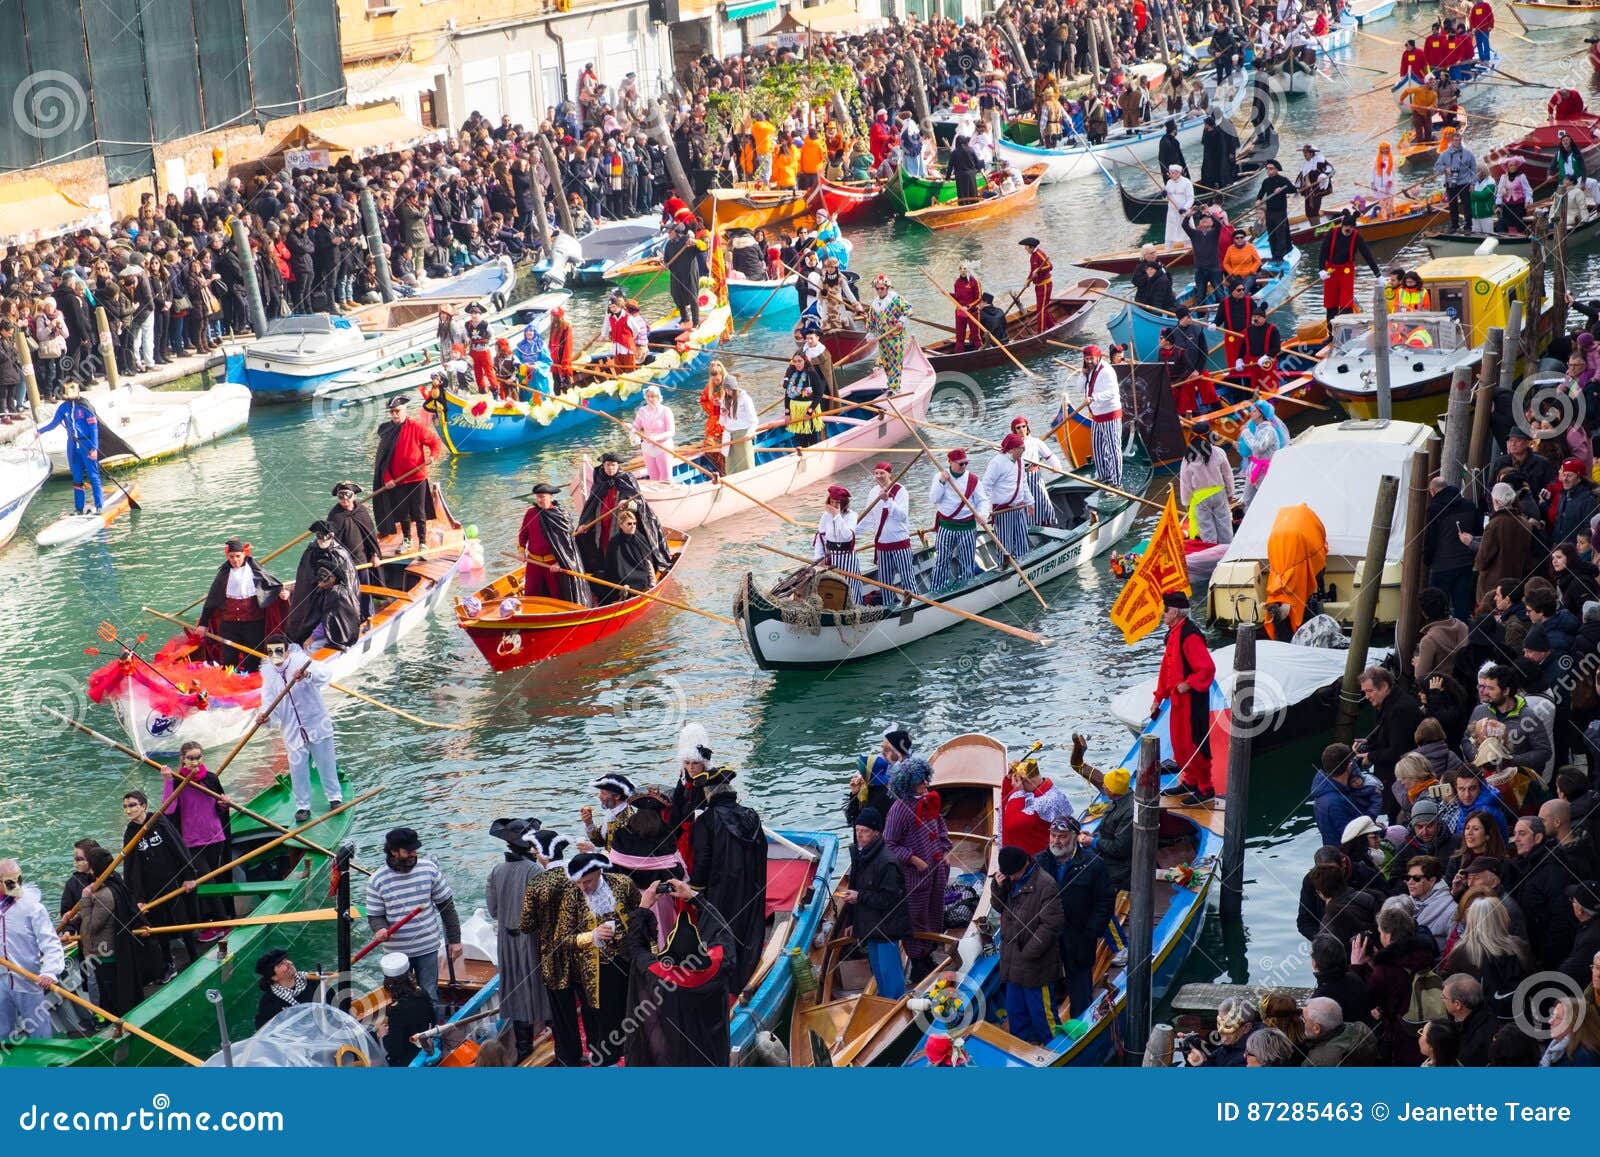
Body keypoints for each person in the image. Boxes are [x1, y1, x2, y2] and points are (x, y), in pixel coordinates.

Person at [620, 880, 735, 1066]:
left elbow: (635, 948)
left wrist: (643, 907)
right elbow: (723, 931)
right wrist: (694, 898)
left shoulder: (655, 974)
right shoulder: (719, 964)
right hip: (711, 1055)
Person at [553, 850, 643, 1066]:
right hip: (591, 970)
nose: (583, 887)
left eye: (588, 881)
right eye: (579, 883)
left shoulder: (623, 884)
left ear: (599, 872)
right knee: (600, 1016)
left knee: (631, 1007)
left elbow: (641, 918)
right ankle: (606, 1059)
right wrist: (590, 937)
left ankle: (632, 1051)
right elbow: (562, 939)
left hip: (626, 960)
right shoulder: (571, 897)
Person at [365, 826, 462, 1014]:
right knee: (400, 999)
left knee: (430, 994)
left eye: (415, 850)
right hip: (396, 954)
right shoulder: (377, 880)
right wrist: (380, 929)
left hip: (427, 947)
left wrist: (455, 940)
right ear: (393, 852)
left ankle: (431, 1036)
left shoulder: (429, 869)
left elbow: (447, 907)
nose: (413, 854)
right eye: (408, 851)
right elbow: (375, 916)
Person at [484, 817, 551, 1062]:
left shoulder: (496, 870)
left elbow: (493, 910)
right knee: (539, 984)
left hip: (506, 940)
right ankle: (552, 1030)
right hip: (530, 938)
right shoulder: (535, 871)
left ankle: (523, 1048)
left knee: (515, 987)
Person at [257, 634, 342, 823]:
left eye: (279, 651)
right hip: (292, 729)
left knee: (326, 761)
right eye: (270, 652)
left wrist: (307, 675)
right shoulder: (269, 675)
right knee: (297, 767)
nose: (275, 656)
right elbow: (269, 704)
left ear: (287, 651)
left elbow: (325, 674)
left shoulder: (302, 662)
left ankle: (335, 797)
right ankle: (303, 806)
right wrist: (266, 717)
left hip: (316, 722)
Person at [882, 756, 952, 986]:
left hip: (936, 869)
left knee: (935, 909)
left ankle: (929, 952)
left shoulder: (929, 800)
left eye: (925, 779)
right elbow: (889, 843)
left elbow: (940, 827)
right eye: (920, 781)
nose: (925, 784)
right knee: (916, 915)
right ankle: (918, 961)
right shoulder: (898, 810)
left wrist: (945, 850)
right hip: (914, 875)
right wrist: (912, 859)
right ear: (909, 784)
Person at [1036, 815, 1113, 1018]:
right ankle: (1047, 1029)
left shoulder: (1093, 864)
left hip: (1079, 935)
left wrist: (1091, 932)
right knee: (1045, 983)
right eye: (1053, 835)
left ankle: (1083, 1023)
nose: (1055, 841)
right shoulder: (1039, 862)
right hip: (1047, 935)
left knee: (1080, 983)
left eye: (1061, 836)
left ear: (1074, 837)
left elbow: (1105, 901)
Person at [120, 790, 201, 981]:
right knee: (159, 927)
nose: (128, 810)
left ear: (143, 806)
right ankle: (168, 964)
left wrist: (189, 875)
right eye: (125, 806)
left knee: (183, 921)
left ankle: (194, 956)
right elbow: (131, 868)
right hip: (151, 889)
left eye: (132, 805)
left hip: (173, 882)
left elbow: (178, 847)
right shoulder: (130, 832)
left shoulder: (159, 821)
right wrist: (137, 898)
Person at [994, 844, 1064, 1045]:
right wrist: (998, 888)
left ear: (1024, 864)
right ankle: (1022, 1049)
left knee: (1043, 1016)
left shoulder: (1045, 884)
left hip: (1035, 965)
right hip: (1013, 963)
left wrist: (1028, 953)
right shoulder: (1009, 879)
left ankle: (1057, 1051)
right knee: (1016, 1013)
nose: (1011, 877)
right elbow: (999, 907)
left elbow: (1052, 924)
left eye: (1013, 873)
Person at [75, 844, 154, 1017]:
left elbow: (90, 927)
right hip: (108, 951)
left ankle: (113, 1022)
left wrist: (85, 900)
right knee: (109, 993)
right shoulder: (116, 883)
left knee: (109, 996)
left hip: (104, 953)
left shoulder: (104, 894)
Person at [1153, 592, 1217, 803]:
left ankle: (1205, 788)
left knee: (1194, 741)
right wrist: (1158, 698)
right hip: (1178, 700)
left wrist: (1188, 683)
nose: (1163, 614)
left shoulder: (1189, 635)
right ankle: (1190, 781)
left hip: (1192, 700)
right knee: (1179, 742)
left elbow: (1207, 668)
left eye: (1166, 610)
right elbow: (1166, 669)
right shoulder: (1173, 634)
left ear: (1176, 613)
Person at [842, 806, 910, 1000]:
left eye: (865, 831)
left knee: (891, 977)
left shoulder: (887, 862)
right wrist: (851, 922)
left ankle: (896, 1008)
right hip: (870, 927)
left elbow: (891, 899)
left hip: (886, 928)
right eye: (857, 831)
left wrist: (859, 897)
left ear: (877, 832)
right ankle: (885, 1004)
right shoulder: (860, 856)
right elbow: (855, 886)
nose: (860, 836)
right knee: (880, 975)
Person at [0, 858, 65, 1039]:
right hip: (0, 979)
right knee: (1, 1029)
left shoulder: (33, 908)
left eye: (17, 880)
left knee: (39, 1029)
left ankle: (44, 1062)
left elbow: (50, 942)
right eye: (10, 882)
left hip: (27, 979)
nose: (16, 886)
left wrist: (49, 972)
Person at [575, 454, 671, 578]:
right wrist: (584, 523)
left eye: (613, 465)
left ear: (618, 466)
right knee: (605, 551)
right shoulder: (599, 481)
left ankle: (627, 576)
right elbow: (591, 506)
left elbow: (639, 504)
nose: (610, 468)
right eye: (608, 465)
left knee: (622, 552)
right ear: (603, 466)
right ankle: (610, 575)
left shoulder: (626, 479)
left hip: (622, 528)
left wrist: (627, 504)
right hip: (602, 528)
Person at [372, 394, 442, 552]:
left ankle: (422, 543)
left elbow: (435, 443)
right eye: (392, 412)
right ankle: (407, 540)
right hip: (398, 482)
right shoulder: (388, 431)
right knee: (402, 513)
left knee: (419, 512)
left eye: (397, 411)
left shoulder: (416, 428)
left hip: (417, 478)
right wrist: (388, 479)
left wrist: (432, 456)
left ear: (404, 410)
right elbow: (382, 461)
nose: (395, 415)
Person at [1069, 734, 1136, 892]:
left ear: (1113, 792)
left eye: (1105, 786)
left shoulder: (1129, 813)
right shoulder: (1119, 799)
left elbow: (1119, 849)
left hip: (1120, 868)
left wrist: (1092, 842)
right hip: (1109, 854)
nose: (1102, 787)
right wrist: (1094, 837)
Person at [518, 481, 591, 606]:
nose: (540, 500)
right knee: (531, 593)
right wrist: (521, 551)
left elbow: (568, 544)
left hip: (552, 564)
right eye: (538, 497)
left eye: (543, 497)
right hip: (533, 562)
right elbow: (523, 534)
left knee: (556, 595)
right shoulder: (530, 513)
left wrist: (559, 562)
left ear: (551, 496)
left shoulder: (560, 515)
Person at [36, 381, 103, 514]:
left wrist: (94, 448)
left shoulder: (86, 407)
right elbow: (54, 423)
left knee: (93, 476)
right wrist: (40, 431)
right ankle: (79, 508)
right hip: (72, 446)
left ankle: (99, 505)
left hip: (87, 445)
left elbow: (94, 429)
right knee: (77, 478)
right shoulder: (63, 408)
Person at [929, 448, 987, 589]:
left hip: (967, 527)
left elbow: (983, 501)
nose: (964, 466)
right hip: (946, 526)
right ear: (950, 462)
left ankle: (966, 586)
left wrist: (982, 514)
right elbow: (933, 499)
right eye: (961, 464)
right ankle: (937, 588)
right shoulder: (939, 476)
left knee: (967, 561)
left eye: (966, 463)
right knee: (942, 560)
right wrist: (942, 482)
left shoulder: (973, 479)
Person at [861, 460, 918, 602]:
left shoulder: (900, 491)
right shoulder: (873, 492)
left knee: (907, 577)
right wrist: (851, 532)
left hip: (899, 542)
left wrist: (888, 501)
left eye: (882, 473)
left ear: (889, 474)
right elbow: (868, 518)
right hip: (882, 544)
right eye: (876, 473)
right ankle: (888, 604)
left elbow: (902, 516)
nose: (879, 476)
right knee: (884, 580)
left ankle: (916, 602)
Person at [1311, 743, 1384, 848]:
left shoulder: (1326, 791)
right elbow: (1353, 835)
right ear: (1349, 765)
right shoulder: (1336, 801)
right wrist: (1374, 808)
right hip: (1347, 855)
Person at [376, 951, 436, 1067]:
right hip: (426, 1044)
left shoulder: (396, 1010)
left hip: (409, 1059)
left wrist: (383, 1035)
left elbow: (395, 1050)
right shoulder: (422, 992)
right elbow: (432, 1020)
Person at [1318, 212, 1379, 324]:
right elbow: (1323, 252)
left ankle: (1347, 334)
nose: (1348, 229)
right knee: (1331, 304)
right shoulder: (1333, 233)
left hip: (1347, 272)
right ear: (1342, 225)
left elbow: (1367, 255)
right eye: (1346, 226)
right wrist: (1321, 269)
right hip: (1331, 271)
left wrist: (1378, 275)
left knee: (1346, 305)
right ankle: (1332, 335)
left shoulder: (1356, 237)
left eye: (1351, 227)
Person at [1179, 424, 1235, 546]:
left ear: (1192, 436)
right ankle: (1228, 555)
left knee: (1207, 531)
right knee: (1225, 526)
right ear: (1209, 434)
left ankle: (1212, 557)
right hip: (1219, 494)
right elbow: (1228, 475)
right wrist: (1230, 493)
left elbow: (1185, 482)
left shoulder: (1188, 458)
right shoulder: (1219, 452)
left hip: (1200, 498)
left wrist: (1186, 502)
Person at [982, 432, 1033, 562]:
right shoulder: (997, 463)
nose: (1024, 451)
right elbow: (986, 486)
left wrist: (1030, 502)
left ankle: (1024, 561)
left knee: (1022, 538)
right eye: (1022, 449)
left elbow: (1023, 482)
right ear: (1013, 449)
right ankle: (1004, 566)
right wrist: (986, 511)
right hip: (1003, 510)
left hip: (1019, 507)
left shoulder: (1020, 461)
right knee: (1005, 543)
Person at [862, 274, 913, 391]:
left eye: (882, 288)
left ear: (887, 288)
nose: (879, 291)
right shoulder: (874, 304)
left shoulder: (896, 299)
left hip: (895, 337)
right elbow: (871, 322)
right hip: (882, 338)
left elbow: (909, 309)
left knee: (895, 362)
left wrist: (902, 320)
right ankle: (890, 384)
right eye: (877, 289)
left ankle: (895, 386)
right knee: (886, 362)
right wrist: (871, 334)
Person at [1081, 345, 1123, 487]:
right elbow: (1080, 388)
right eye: (1086, 359)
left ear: (1098, 357)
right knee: (1097, 447)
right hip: (1096, 415)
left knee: (1112, 448)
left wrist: (1094, 398)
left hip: (1110, 414)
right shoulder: (1089, 371)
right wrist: (1083, 374)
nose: (1089, 361)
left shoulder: (1107, 371)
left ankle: (1116, 482)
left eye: (1091, 358)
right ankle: (1104, 475)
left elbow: (1112, 392)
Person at [812, 484, 862, 600]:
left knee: (850, 586)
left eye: (837, 503)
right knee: (831, 586)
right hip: (830, 558)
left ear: (844, 503)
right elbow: (820, 537)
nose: (834, 505)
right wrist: (818, 558)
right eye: (832, 502)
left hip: (847, 559)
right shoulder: (825, 516)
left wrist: (837, 516)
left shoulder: (852, 516)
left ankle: (854, 606)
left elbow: (847, 536)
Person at [1012, 416, 1061, 529]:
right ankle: (1029, 527)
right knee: (1024, 503)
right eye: (1018, 428)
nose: (1021, 430)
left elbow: (1050, 456)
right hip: (1020, 478)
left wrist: (1056, 466)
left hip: (1034, 475)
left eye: (1023, 426)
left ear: (1027, 427)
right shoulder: (1012, 446)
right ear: (1014, 430)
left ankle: (1048, 524)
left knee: (1042, 499)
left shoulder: (1036, 442)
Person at [1300, 996, 1379, 1066]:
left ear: (1317, 1029)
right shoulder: (1361, 1030)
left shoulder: (1317, 1062)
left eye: (1304, 1019)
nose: (1301, 1020)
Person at [253, 948, 319, 1028]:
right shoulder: (269, 1002)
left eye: (286, 960)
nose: (289, 963)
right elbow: (264, 1030)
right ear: (274, 977)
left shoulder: (314, 982)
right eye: (280, 964)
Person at [783, 350, 827, 448]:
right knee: (800, 438)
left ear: (805, 361)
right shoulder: (791, 373)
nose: (797, 364)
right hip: (795, 410)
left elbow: (819, 393)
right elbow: (787, 395)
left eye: (800, 361)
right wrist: (787, 413)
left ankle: (815, 455)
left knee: (812, 437)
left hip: (809, 409)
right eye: (795, 361)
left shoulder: (812, 373)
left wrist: (810, 411)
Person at [1255, 159, 1297, 260]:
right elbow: (1260, 194)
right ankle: (1274, 255)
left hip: (1280, 212)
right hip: (1269, 212)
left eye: (1271, 169)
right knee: (1271, 235)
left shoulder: (1283, 180)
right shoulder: (1266, 182)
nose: (1269, 171)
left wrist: (1282, 190)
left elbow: (1293, 189)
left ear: (1276, 170)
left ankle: (1279, 257)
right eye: (1267, 169)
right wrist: (1258, 200)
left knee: (1280, 234)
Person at [1019, 237, 1053, 333]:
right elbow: (1032, 271)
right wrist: (1028, 281)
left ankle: (1041, 331)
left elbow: (1050, 266)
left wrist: (1038, 270)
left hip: (1045, 285)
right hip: (1038, 285)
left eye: (1026, 247)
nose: (1025, 249)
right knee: (1043, 308)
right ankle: (1051, 327)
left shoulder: (1039, 254)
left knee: (1041, 309)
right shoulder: (1032, 256)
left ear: (1031, 247)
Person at [1163, 164, 1195, 249]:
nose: (1171, 175)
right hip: (1172, 212)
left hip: (1183, 212)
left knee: (1187, 232)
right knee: (1170, 232)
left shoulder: (1186, 182)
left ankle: (1189, 248)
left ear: (1178, 173)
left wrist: (1185, 208)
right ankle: (1168, 249)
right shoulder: (1169, 182)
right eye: (1170, 173)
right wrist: (1164, 195)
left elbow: (1191, 198)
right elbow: (1168, 197)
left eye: (1173, 173)